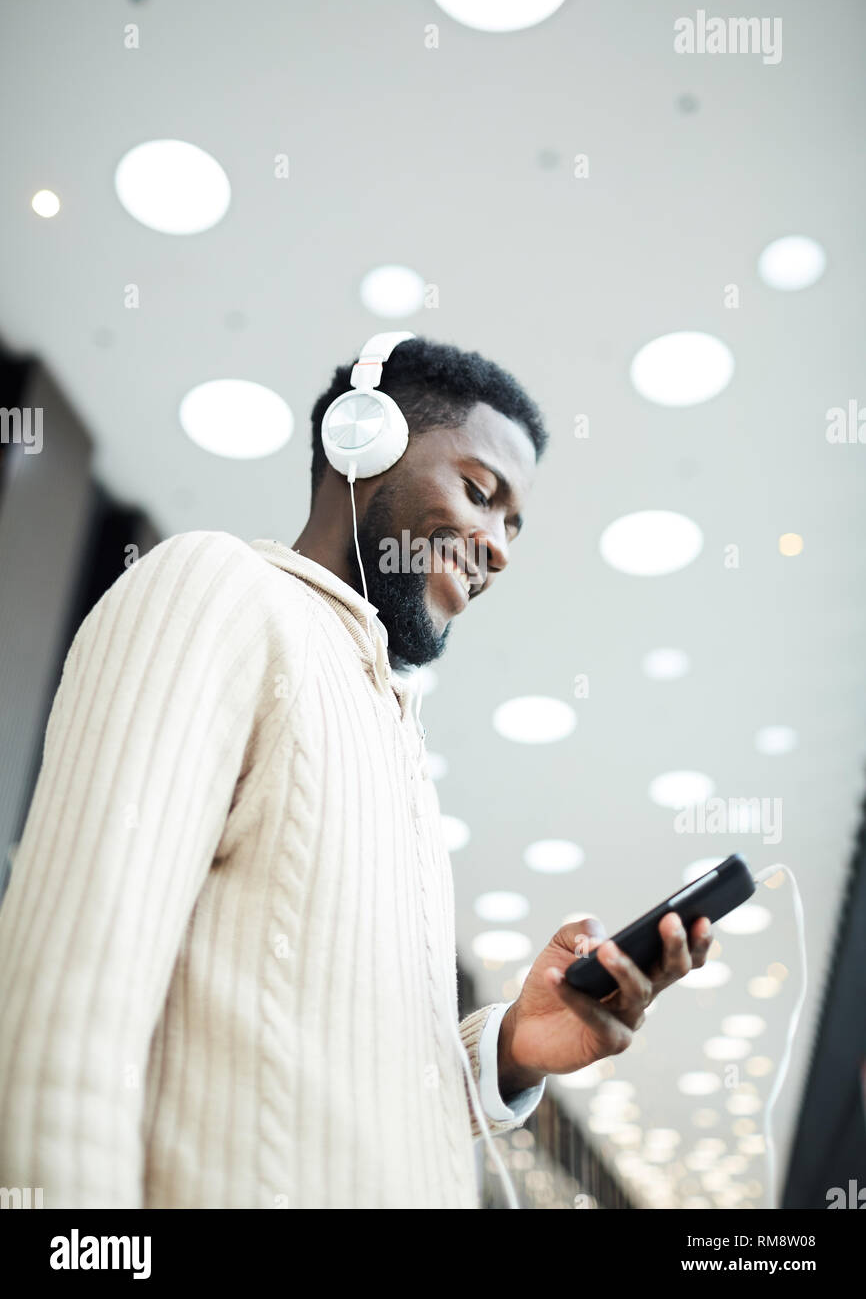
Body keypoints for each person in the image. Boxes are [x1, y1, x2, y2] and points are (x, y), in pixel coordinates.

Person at [0, 335, 711, 1209]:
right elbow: (64, 1010)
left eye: (514, 525)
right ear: (360, 444)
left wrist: (516, 1046)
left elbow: (331, 1090)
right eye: (481, 495)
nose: (498, 547)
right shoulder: (218, 589)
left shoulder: (395, 735)